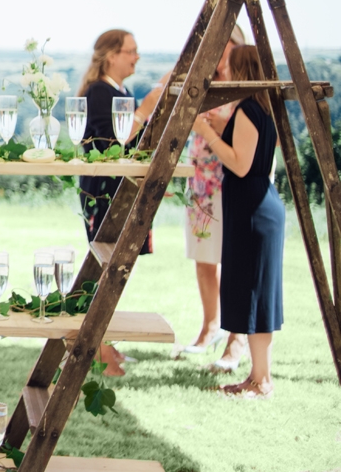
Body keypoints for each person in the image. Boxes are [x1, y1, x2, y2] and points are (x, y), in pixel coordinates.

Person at [191, 46, 283, 399]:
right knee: (255, 295)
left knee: (257, 296)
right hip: (256, 207)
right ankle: (257, 377)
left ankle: (262, 381)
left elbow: (239, 164)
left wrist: (206, 131)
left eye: (228, 67)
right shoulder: (262, 107)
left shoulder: (246, 108)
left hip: (253, 212)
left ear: (240, 71)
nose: (224, 74)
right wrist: (220, 128)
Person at [76, 29, 163, 376]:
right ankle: (96, 350)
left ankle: (104, 343)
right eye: (131, 51)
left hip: (117, 192)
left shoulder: (117, 90)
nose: (136, 57)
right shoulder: (100, 92)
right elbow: (108, 145)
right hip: (103, 195)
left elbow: (131, 148)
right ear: (112, 55)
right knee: (106, 272)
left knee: (114, 272)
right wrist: (143, 110)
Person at [181, 24, 247, 356]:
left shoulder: (247, 86)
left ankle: (237, 336)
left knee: (236, 262)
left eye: (225, 46)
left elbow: (258, 135)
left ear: (238, 46)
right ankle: (209, 327)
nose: (219, 53)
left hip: (235, 184)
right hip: (201, 184)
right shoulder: (202, 84)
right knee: (204, 259)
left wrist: (209, 125)